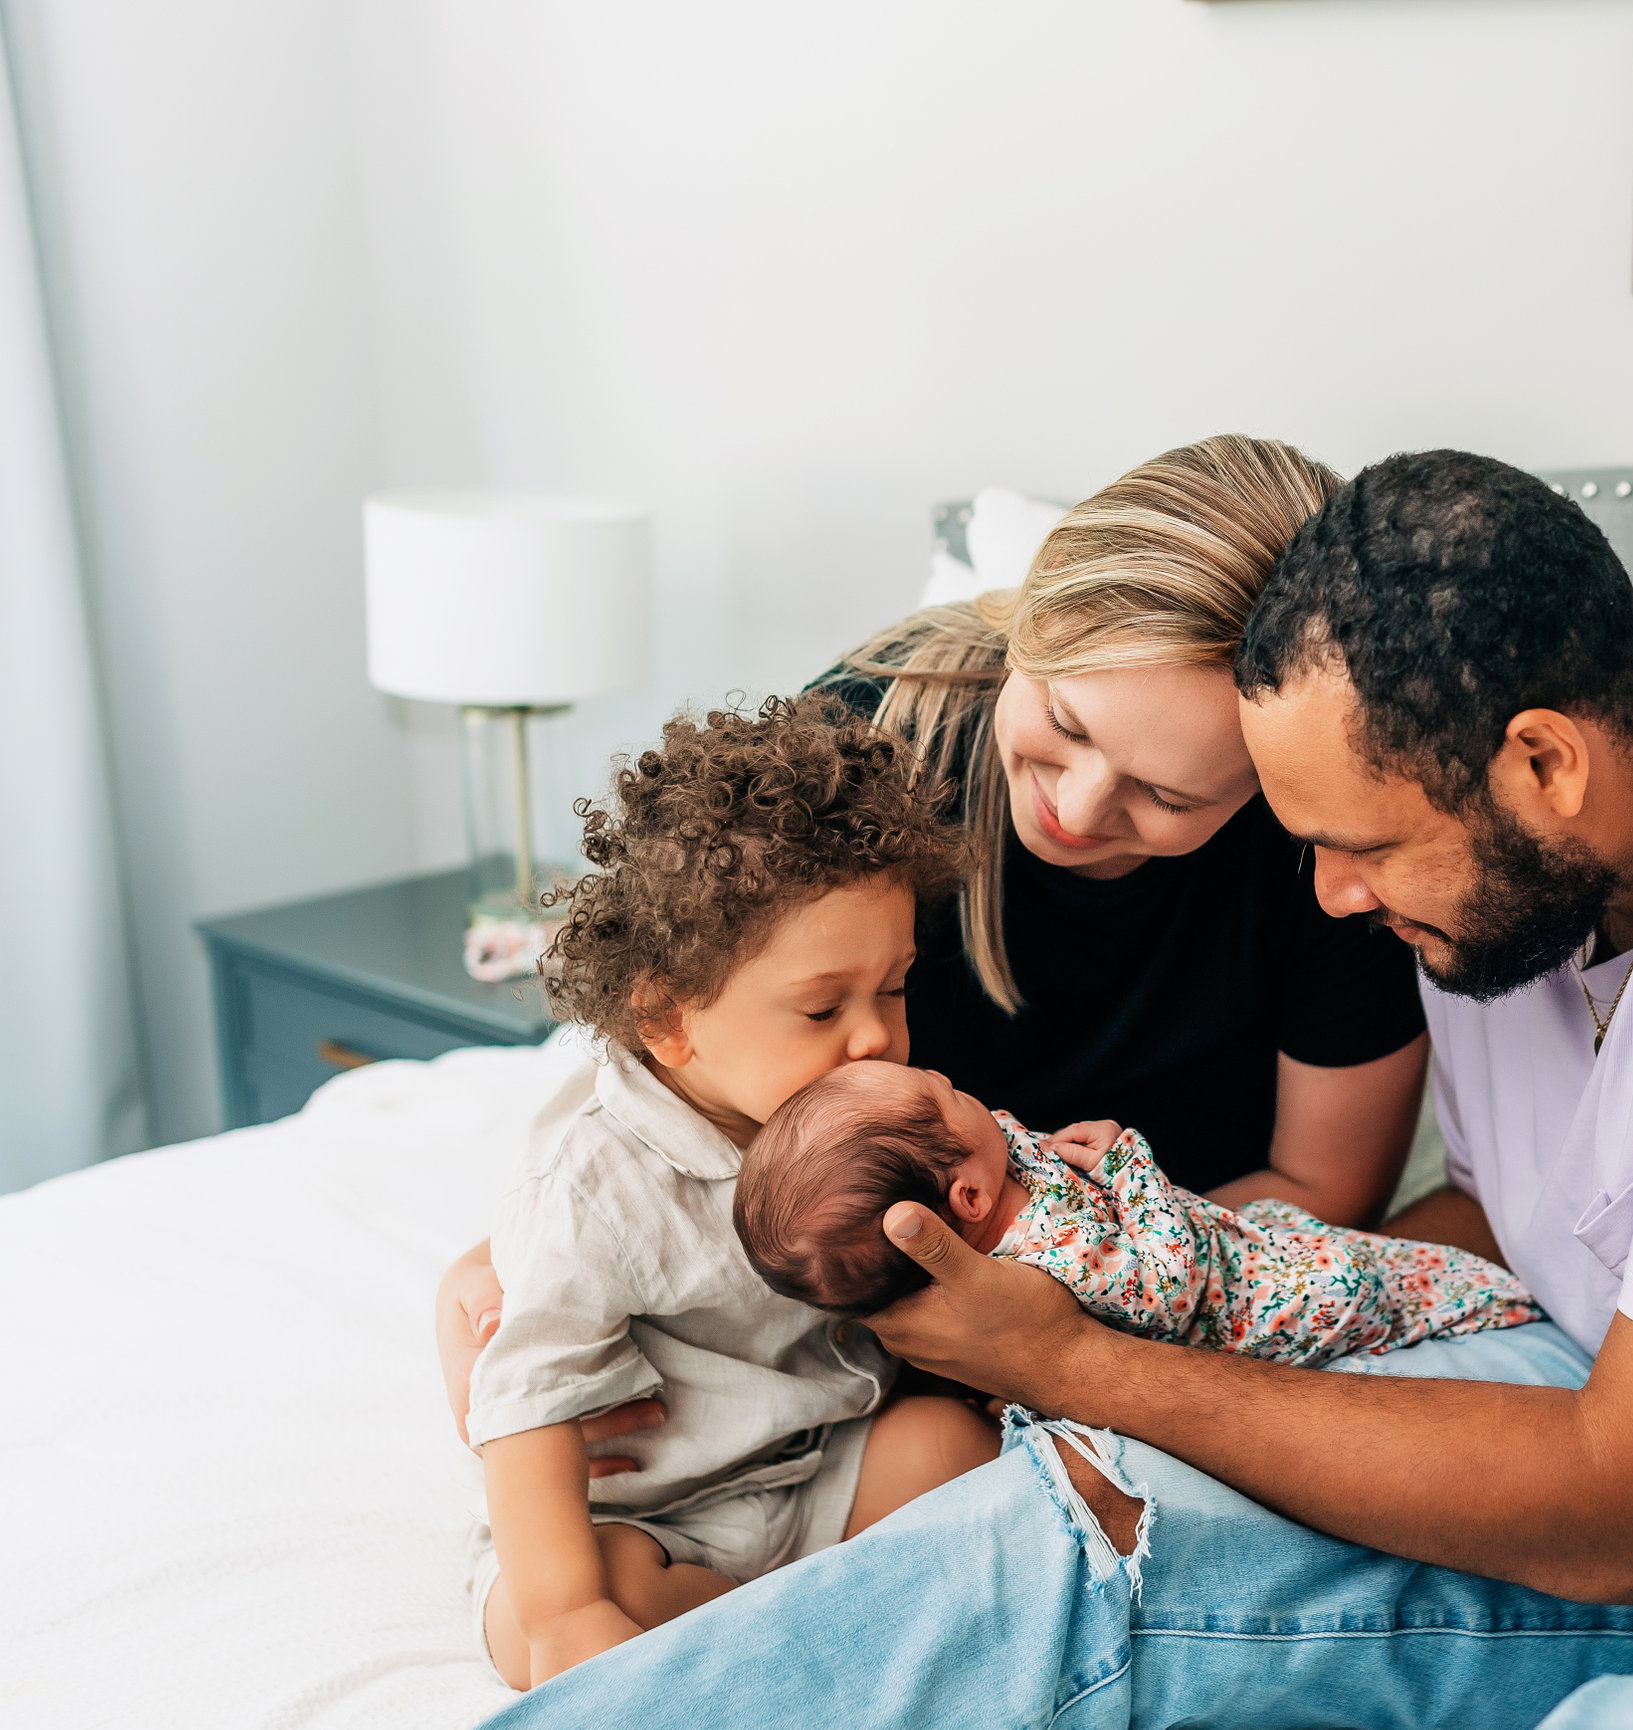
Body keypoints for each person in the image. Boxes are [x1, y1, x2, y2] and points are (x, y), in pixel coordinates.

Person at [480, 448, 1633, 1730]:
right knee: (1083, 1542)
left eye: (1361, 849)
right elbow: (1522, 1240)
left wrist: (1062, 1354)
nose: (1330, 901)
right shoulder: (1502, 872)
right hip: (1615, 1392)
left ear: (1543, 763)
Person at [433, 436, 1430, 1456]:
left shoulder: (1320, 849)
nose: (1079, 809)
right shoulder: (859, 755)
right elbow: (692, 1083)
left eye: (1168, 794)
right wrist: (522, 1258)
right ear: (1033, 618)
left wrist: (1061, 1307)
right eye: (1065, 721)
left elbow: (1325, 1188)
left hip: (1157, 1258)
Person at [466, 697, 999, 1691]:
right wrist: (565, 1604)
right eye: (821, 1006)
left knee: (952, 1448)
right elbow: (525, 1404)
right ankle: (739, 1628)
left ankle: (790, 1623)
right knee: (552, 1611)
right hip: (654, 1511)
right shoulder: (596, 1183)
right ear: (669, 1018)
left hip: (813, 1470)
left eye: (894, 988)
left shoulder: (866, 1114)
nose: (876, 1035)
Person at [734, 1061, 1539, 1364]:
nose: (960, 1083)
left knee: (1382, 1261)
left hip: (1249, 1244)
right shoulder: (1045, 1252)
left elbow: (1008, 1139)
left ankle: (1499, 1299)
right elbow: (1166, 1284)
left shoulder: (981, 1186)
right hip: (1261, 1302)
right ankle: (1508, 1312)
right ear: (968, 1200)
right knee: (1389, 1283)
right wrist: (1130, 1166)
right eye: (949, 1096)